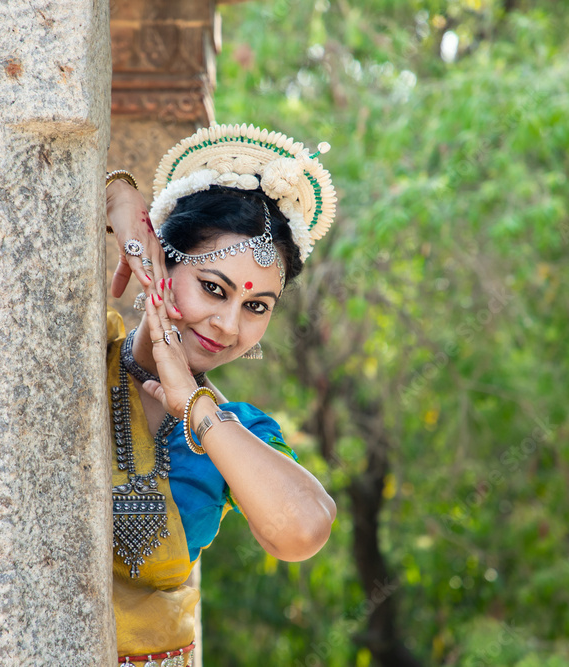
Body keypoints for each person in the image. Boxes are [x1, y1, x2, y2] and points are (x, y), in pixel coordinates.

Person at [104, 124, 338, 666]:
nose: (229, 325)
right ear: (160, 261)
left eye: (256, 307)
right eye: (213, 288)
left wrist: (197, 408)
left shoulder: (237, 431)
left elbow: (303, 531)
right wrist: (114, 191)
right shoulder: (82, 353)